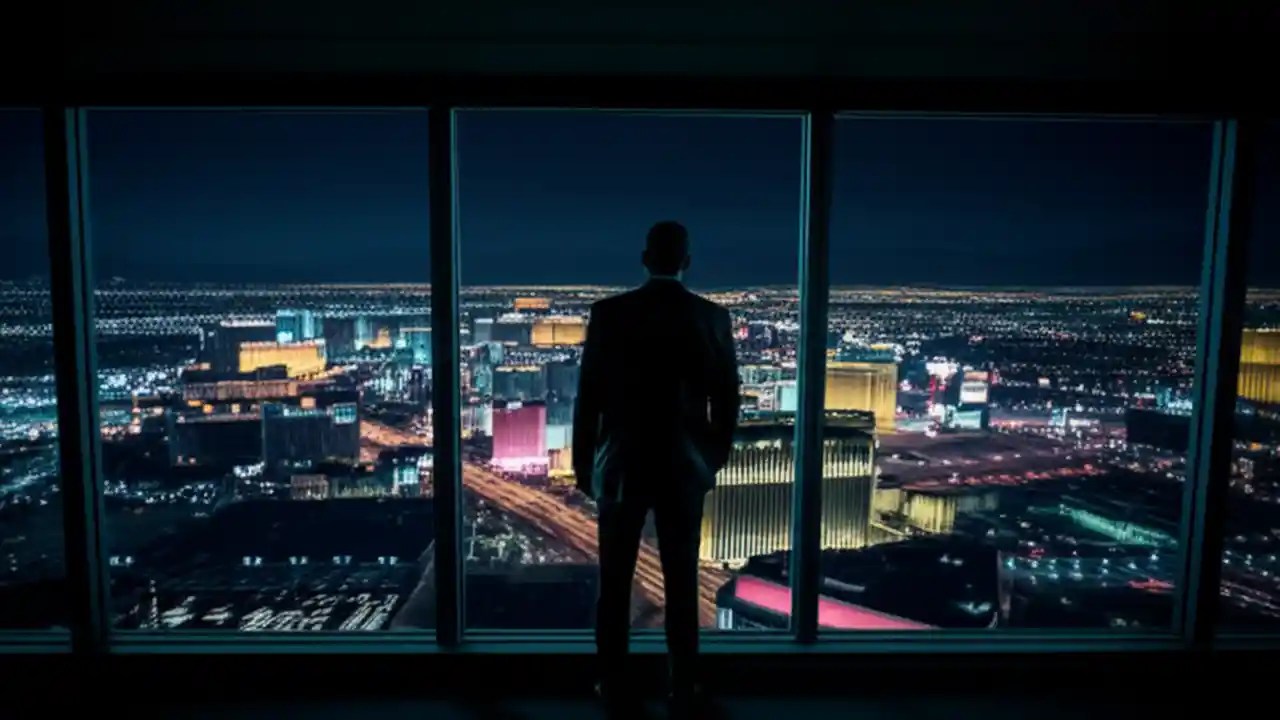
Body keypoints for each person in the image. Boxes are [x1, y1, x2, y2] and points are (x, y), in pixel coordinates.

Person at [573, 220, 741, 712]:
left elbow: (590, 401)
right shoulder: (711, 318)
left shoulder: (609, 315)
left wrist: (588, 468)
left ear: (645, 258)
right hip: (684, 468)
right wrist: (711, 459)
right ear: (686, 262)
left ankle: (611, 681)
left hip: (622, 466)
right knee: (682, 579)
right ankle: (684, 682)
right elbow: (727, 402)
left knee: (615, 581)